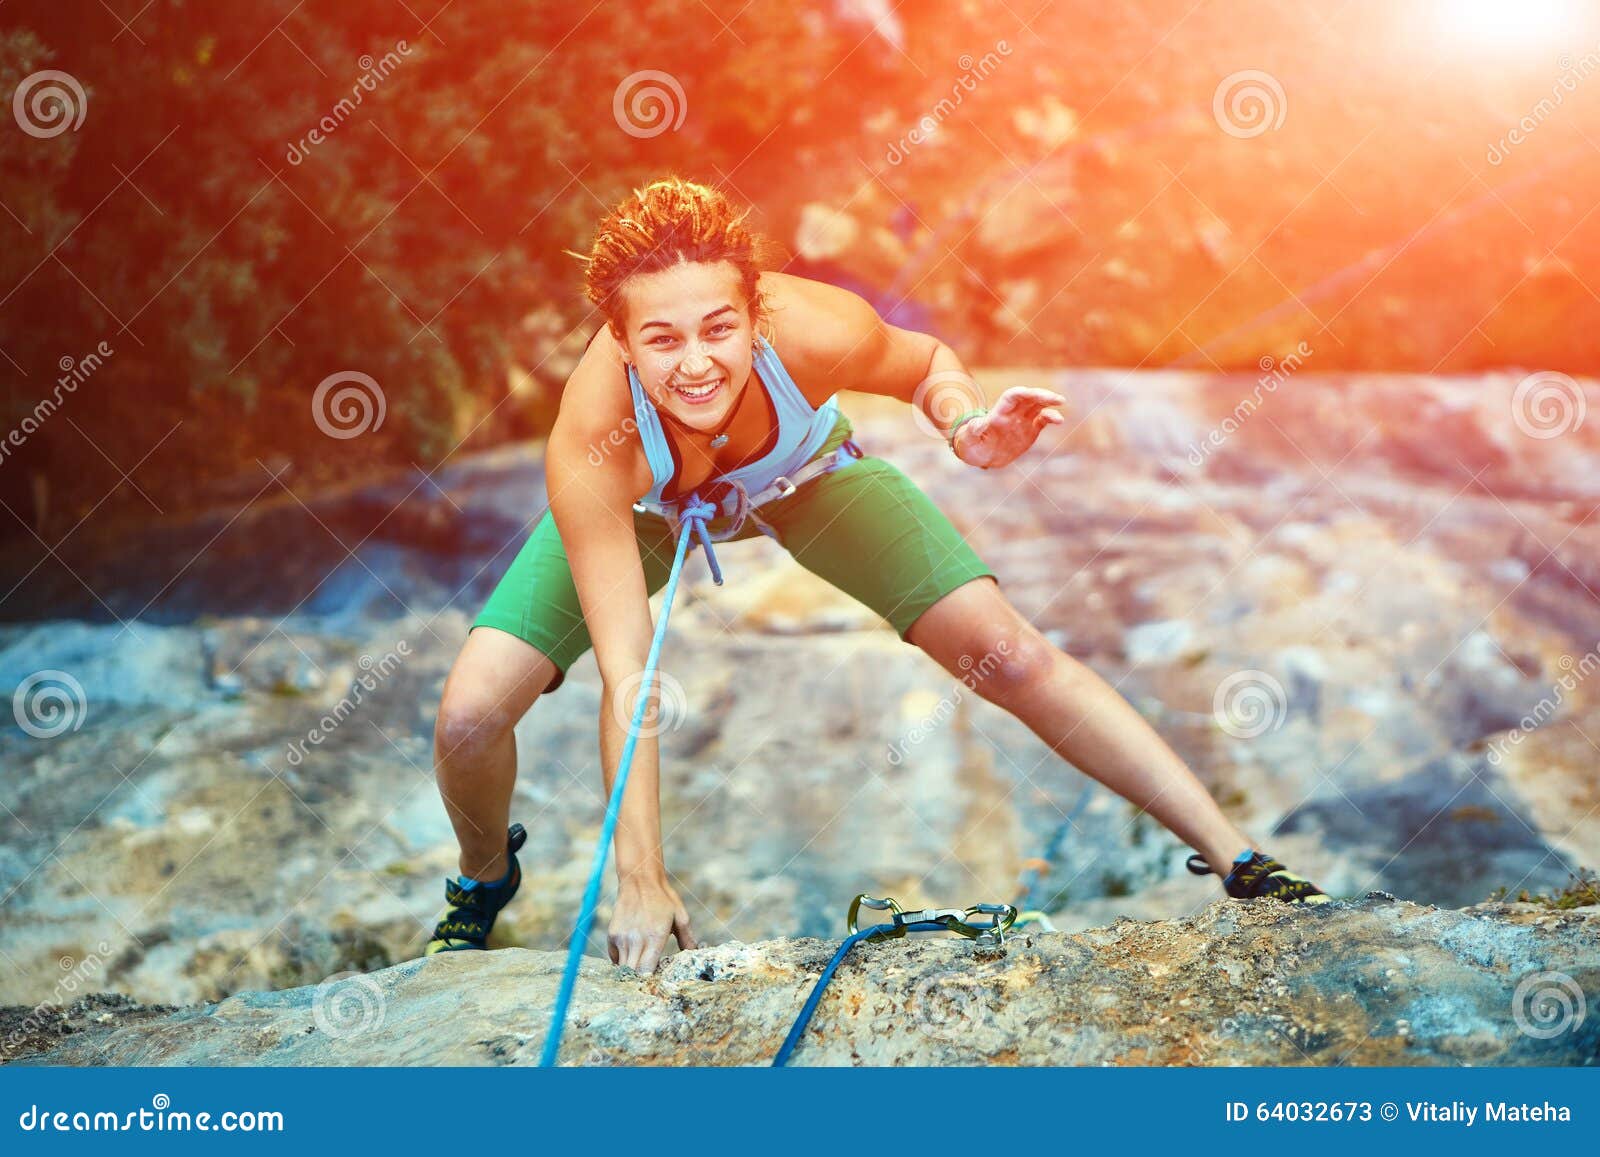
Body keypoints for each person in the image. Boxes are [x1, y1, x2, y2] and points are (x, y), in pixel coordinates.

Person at [423, 176, 1330, 969]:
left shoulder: (819, 328)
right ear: (622, 342)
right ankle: (484, 876)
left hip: (809, 477)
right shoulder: (591, 443)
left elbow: (926, 363)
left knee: (1009, 655)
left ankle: (1243, 859)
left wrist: (965, 422)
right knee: (468, 715)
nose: (696, 362)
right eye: (661, 340)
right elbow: (631, 674)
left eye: (719, 328)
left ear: (757, 316)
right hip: (650, 509)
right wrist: (640, 876)